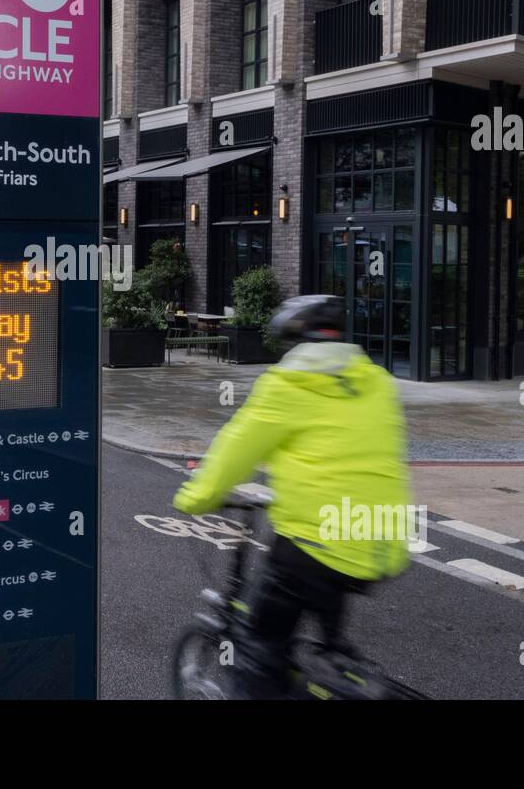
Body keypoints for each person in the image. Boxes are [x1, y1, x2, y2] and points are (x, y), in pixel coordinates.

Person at [172, 295, 414, 700]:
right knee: (328, 594)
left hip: (316, 541)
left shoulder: (287, 385)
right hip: (381, 540)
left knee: (257, 644)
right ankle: (337, 664)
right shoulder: (378, 382)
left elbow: (236, 448)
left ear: (292, 343)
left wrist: (196, 497)